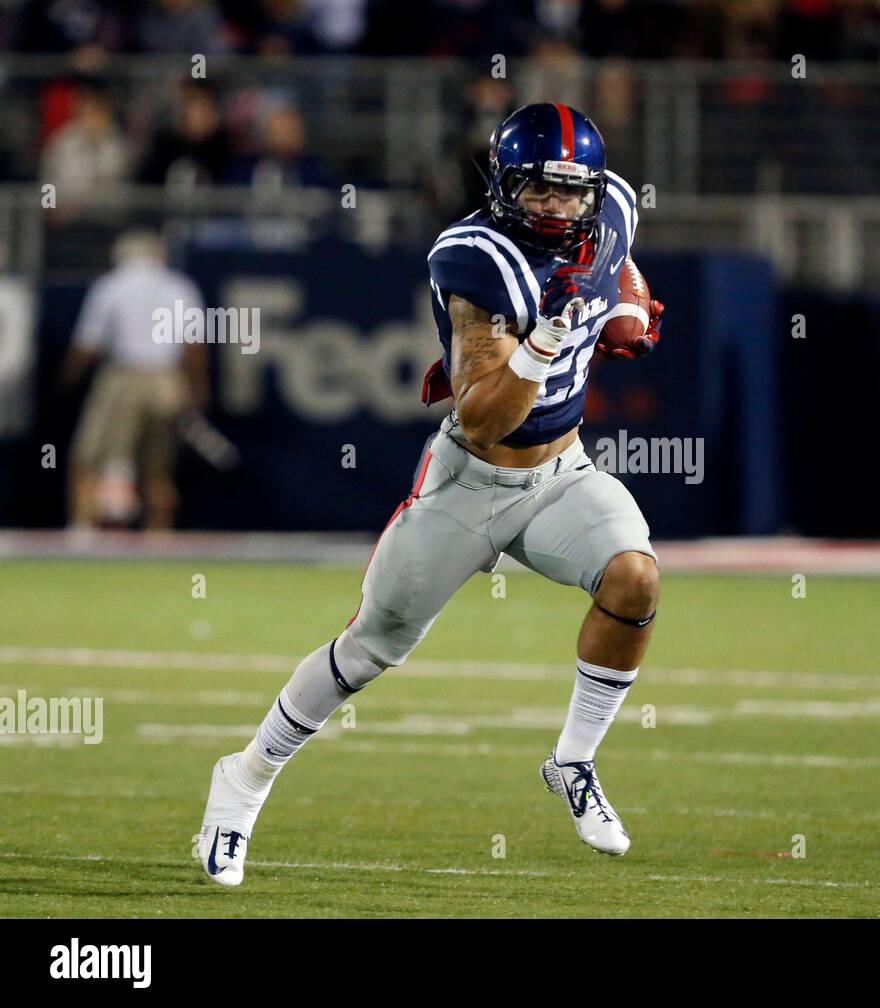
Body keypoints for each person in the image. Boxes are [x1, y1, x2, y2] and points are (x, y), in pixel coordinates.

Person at [197, 103, 664, 886]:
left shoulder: (610, 200)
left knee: (635, 578)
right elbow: (482, 421)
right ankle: (245, 778)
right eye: (541, 192)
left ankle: (573, 760)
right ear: (505, 187)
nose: (558, 208)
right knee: (368, 647)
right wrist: (547, 343)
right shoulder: (479, 258)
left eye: (570, 193)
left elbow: (616, 256)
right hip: (472, 480)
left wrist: (623, 306)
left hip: (564, 473)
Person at [62, 231, 209, 530]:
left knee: (88, 461)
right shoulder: (179, 287)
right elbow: (195, 345)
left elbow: (87, 345)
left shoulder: (111, 286)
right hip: (167, 381)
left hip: (123, 377)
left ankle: (82, 533)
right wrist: (198, 388)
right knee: (158, 469)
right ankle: (159, 536)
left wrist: (67, 380)